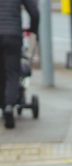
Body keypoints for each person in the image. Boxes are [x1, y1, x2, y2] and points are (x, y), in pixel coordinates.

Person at [0, 0, 39, 129]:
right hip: (13, 35)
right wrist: (34, 28)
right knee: (12, 73)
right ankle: (9, 107)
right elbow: (34, 12)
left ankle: (3, 103)